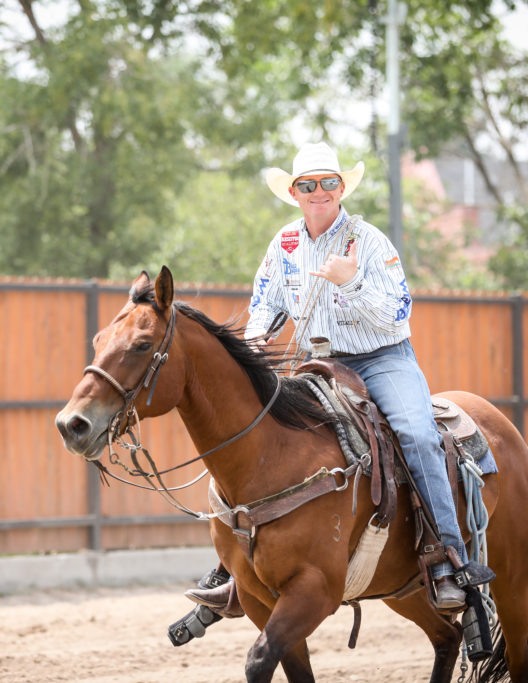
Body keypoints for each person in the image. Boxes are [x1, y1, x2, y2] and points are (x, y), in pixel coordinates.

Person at [176, 142, 490, 642]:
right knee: (260, 435)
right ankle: (233, 568)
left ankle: (449, 558)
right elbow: (264, 310)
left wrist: (350, 284)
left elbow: (397, 314)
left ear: (342, 188)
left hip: (383, 359)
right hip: (317, 362)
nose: (318, 192)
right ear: (295, 194)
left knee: (415, 432)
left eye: (327, 183)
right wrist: (251, 354)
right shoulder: (283, 245)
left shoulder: (368, 241)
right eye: (307, 185)